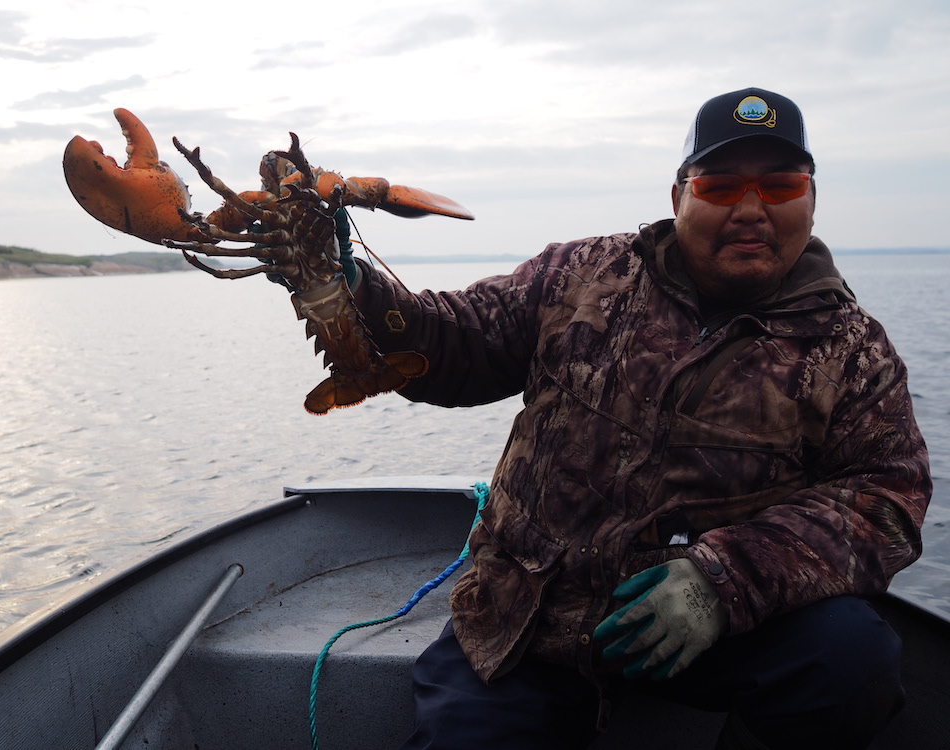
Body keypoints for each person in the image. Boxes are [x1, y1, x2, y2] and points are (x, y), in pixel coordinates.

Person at [340, 88, 932, 749]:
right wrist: (356, 289)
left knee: (849, 657)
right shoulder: (579, 275)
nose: (749, 208)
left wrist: (723, 580)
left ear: (811, 200)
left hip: (715, 629)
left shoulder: (850, 348)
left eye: (779, 184)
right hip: (530, 620)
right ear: (679, 196)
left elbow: (884, 499)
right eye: (720, 184)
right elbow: (453, 344)